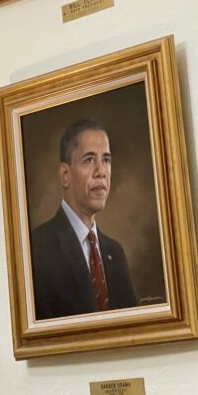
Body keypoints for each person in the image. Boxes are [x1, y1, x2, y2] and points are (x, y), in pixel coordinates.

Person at [30, 119, 136, 320]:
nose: (101, 172)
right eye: (89, 160)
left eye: (106, 160)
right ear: (65, 175)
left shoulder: (115, 253)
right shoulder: (37, 249)